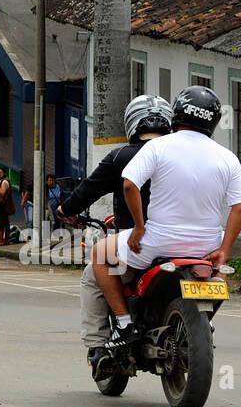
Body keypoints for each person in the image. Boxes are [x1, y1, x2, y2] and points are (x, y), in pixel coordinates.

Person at [96, 87, 241, 355]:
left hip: (158, 243)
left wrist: (139, 227)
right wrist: (224, 250)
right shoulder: (227, 157)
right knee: (218, 281)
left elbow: (130, 185)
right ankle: (203, 324)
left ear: (176, 115)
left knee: (101, 254)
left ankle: (123, 324)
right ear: (213, 121)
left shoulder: (158, 146)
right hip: (206, 249)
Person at [56, 95, 172, 378]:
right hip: (186, 245)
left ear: (132, 122)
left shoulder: (121, 157)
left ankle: (105, 340)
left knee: (92, 275)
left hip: (137, 245)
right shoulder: (181, 156)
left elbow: (88, 190)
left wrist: (66, 209)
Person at [0, 167, 13, 241]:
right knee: (4, 222)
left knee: (1, 223)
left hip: (2, 205)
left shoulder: (4, 182)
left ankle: (2, 240)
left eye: (1, 172)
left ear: (4, 173)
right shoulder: (1, 181)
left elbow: (3, 193)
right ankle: (5, 240)